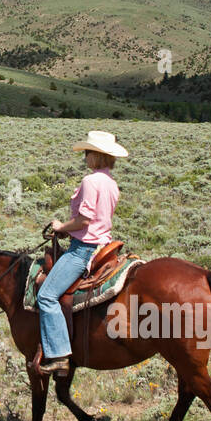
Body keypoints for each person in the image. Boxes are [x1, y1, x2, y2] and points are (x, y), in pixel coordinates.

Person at [36, 129, 128, 374]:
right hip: (102, 244)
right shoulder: (111, 184)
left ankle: (59, 355)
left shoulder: (90, 181)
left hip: (83, 250)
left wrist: (61, 227)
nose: (85, 156)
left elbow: (85, 221)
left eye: (88, 152)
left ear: (96, 156)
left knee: (46, 296)